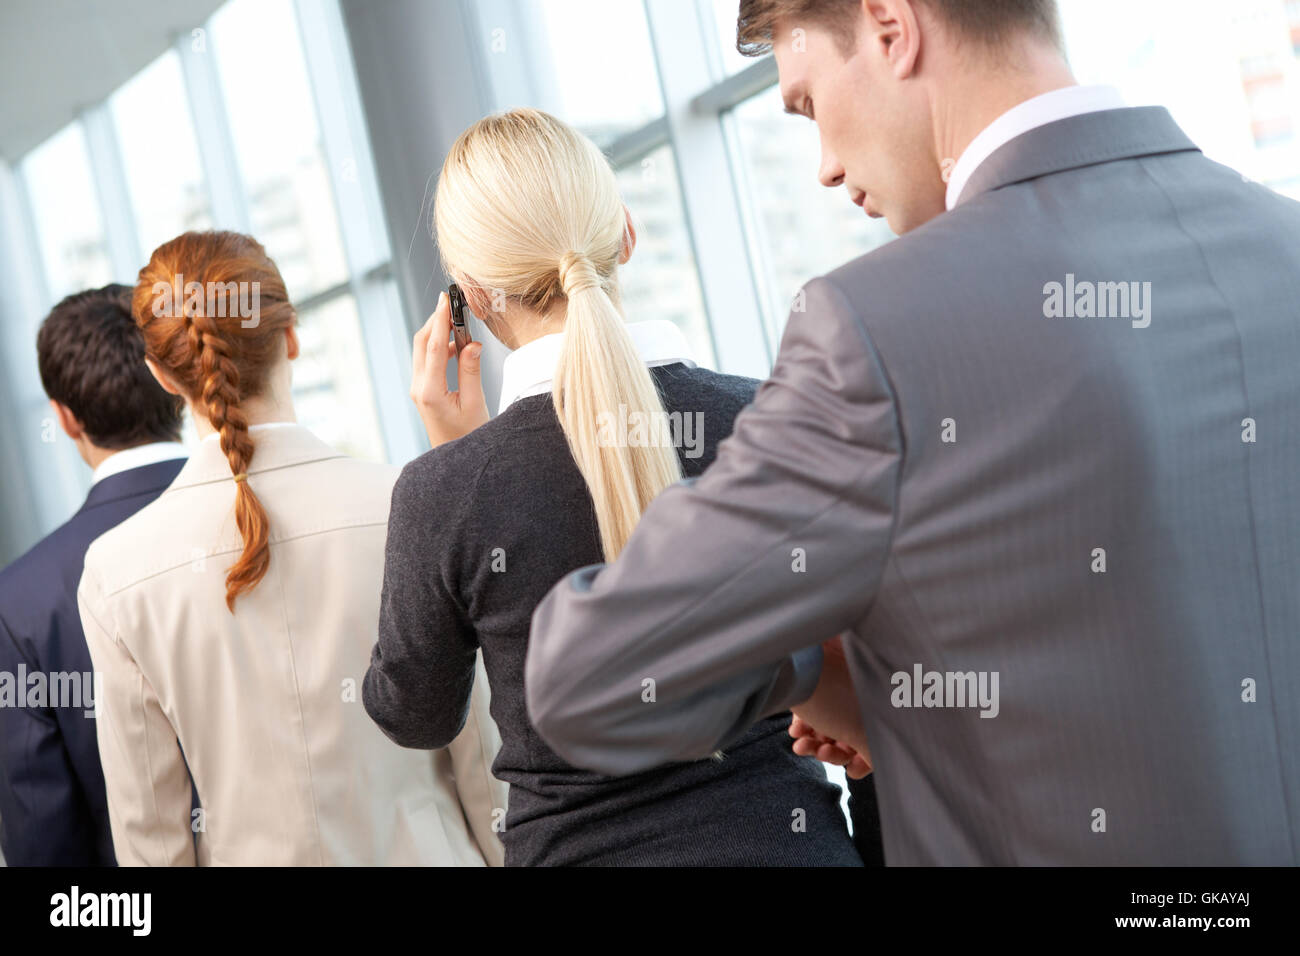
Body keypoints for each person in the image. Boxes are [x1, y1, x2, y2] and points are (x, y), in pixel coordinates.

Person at [523, 0, 1300, 865]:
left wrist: (817, 664)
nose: (823, 167)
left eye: (810, 104)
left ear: (892, 27)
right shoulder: (1283, 242)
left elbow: (586, 680)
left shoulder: (872, 329)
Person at [362, 108, 863, 866]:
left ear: (471, 294)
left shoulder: (445, 489)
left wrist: (459, 469)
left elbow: (417, 711)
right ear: (626, 233)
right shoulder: (773, 415)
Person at [78, 231, 506, 866]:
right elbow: (483, 756)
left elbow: (151, 835)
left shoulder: (117, 574)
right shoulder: (408, 504)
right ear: (291, 337)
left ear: (162, 374)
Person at [0, 285, 187, 865]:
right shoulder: (265, 516)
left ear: (65, 417)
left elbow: (44, 844)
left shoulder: (22, 600)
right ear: (173, 383)